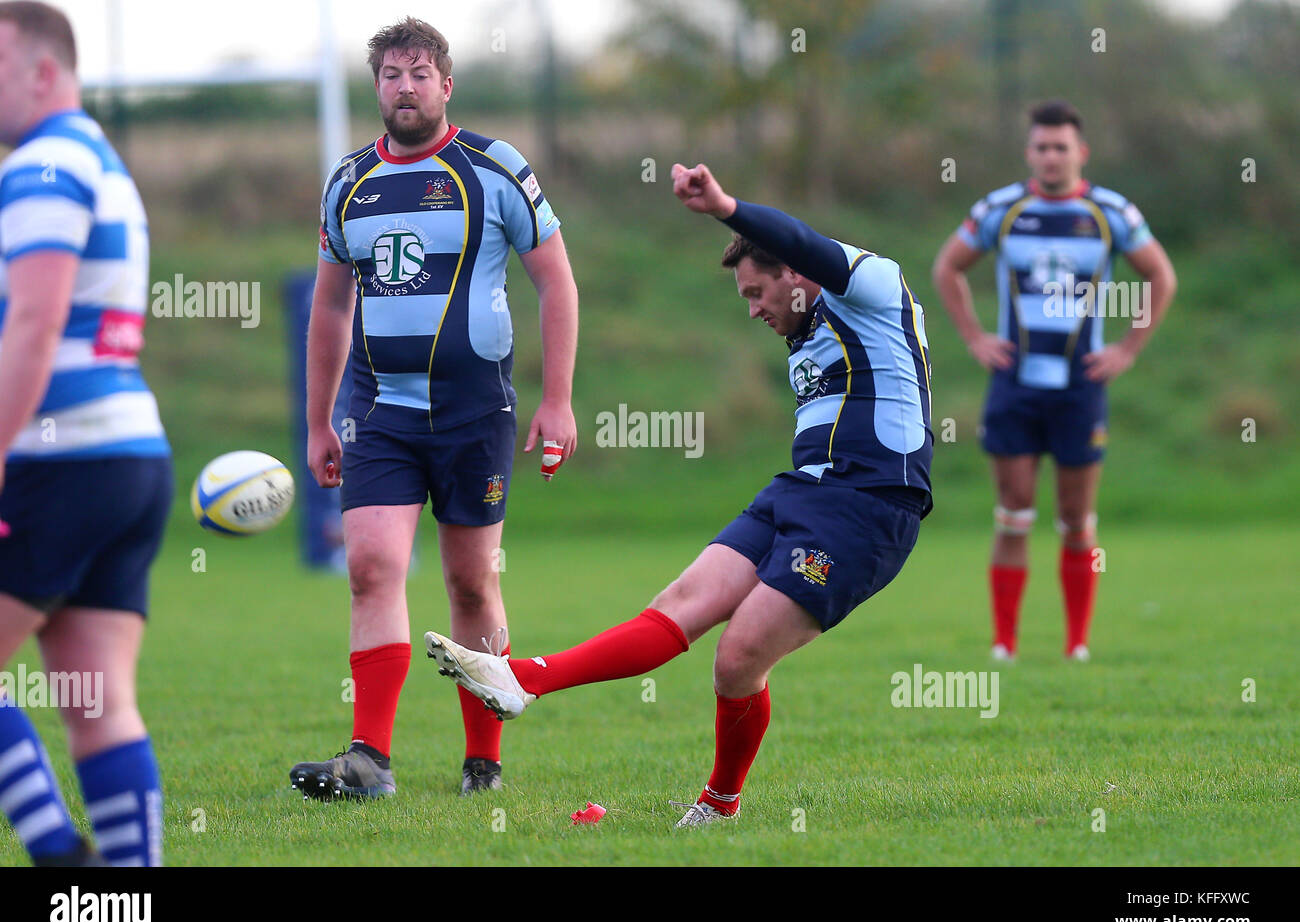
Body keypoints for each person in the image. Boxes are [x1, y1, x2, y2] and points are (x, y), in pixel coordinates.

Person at [426, 161, 932, 827]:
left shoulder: (872, 285)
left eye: (758, 292)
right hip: (800, 492)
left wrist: (724, 206)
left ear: (797, 276)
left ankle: (720, 803)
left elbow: (802, 240)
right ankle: (524, 678)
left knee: (738, 656)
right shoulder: (805, 327)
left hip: (870, 507)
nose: (752, 309)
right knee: (680, 604)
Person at [289, 17, 579, 800]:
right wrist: (319, 421)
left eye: (420, 74)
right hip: (378, 411)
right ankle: (369, 760)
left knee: (472, 584)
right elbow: (328, 309)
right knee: (372, 566)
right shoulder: (346, 181)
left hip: (474, 412)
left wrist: (558, 401)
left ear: (446, 85)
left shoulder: (494, 168)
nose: (404, 87)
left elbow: (555, 279)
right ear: (375, 86)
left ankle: (482, 761)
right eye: (390, 74)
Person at [0, 0, 168, 866]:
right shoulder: (101, 160)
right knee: (98, 701)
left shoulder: (43, 165)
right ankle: (125, 899)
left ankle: (59, 858)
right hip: (129, 457)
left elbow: (33, 324)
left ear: (41, 68)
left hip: (58, 458)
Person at [931, 99, 1176, 662]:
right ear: (1029, 152)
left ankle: (1077, 644)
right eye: (1041, 146)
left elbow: (1161, 275)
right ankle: (1004, 644)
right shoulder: (1001, 208)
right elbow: (948, 266)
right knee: (1013, 513)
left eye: (1061, 146)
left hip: (1080, 387)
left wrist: (1128, 349)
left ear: (1080, 152)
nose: (1050, 155)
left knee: (1075, 520)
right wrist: (974, 336)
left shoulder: (1110, 211)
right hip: (1014, 386)